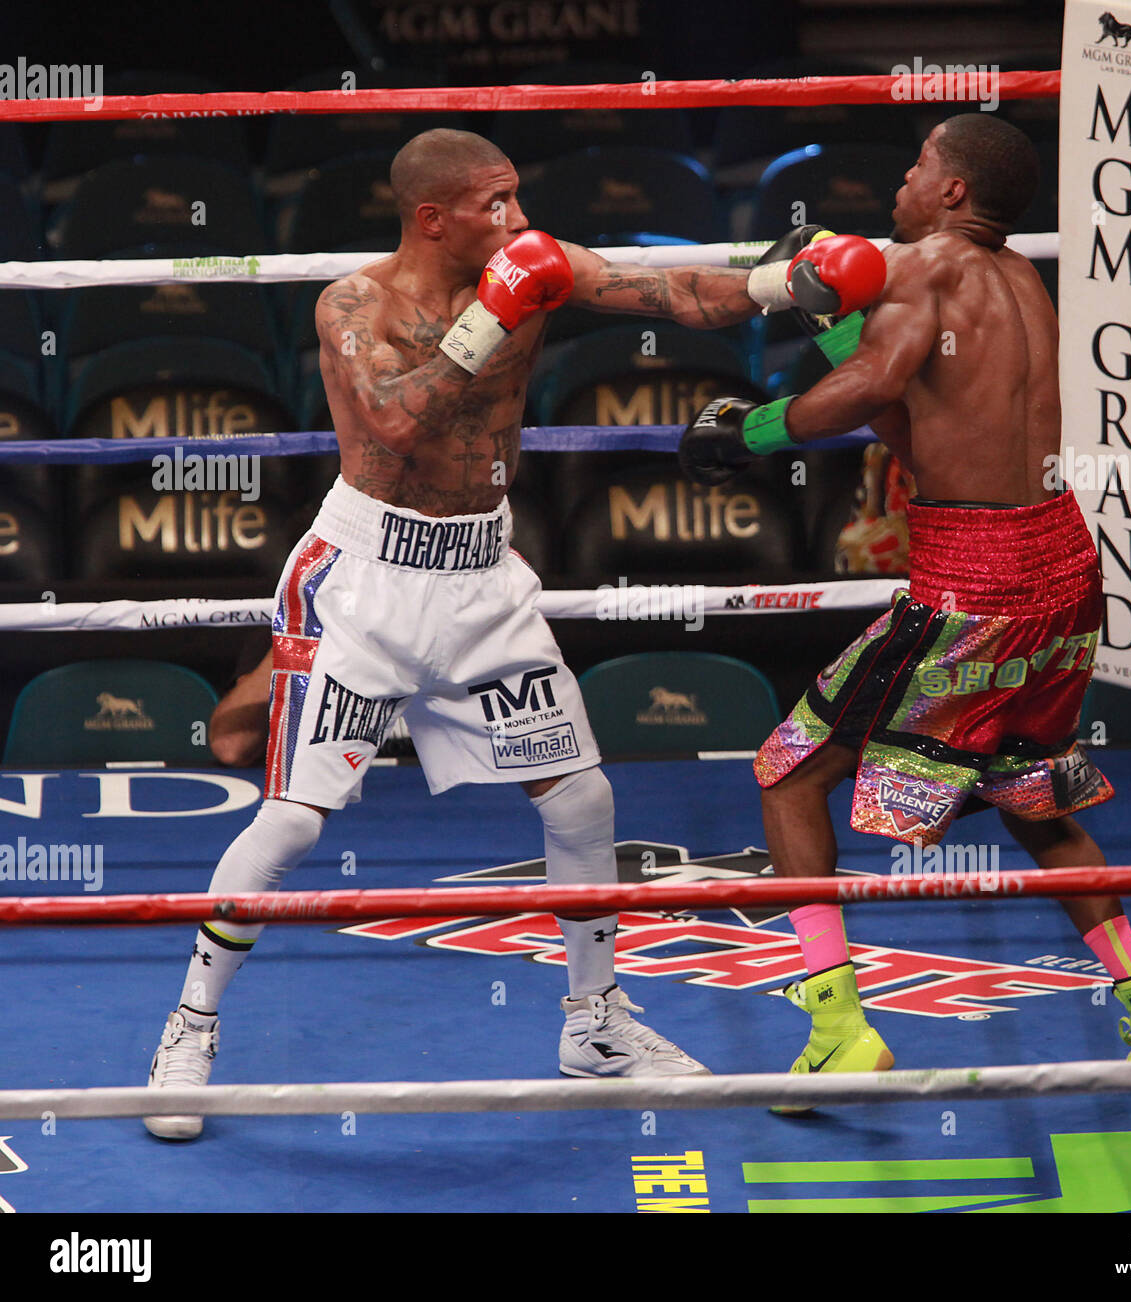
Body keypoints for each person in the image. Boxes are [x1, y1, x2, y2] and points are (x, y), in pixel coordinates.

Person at [144, 127, 884, 1139]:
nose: (519, 222)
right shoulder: (355, 304)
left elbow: (664, 293)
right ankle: (190, 1027)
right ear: (430, 216)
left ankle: (595, 1022)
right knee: (294, 821)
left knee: (582, 798)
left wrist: (781, 287)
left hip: (483, 576)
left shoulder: (529, 266)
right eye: (494, 205)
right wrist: (493, 318)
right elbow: (395, 422)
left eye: (517, 198)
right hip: (364, 582)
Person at [678, 114, 1131, 1104]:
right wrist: (831, 322)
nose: (902, 181)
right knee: (1030, 799)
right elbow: (909, 410)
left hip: (974, 583)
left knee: (786, 774)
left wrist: (745, 429)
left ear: (952, 193)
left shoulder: (923, 265)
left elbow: (872, 384)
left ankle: (839, 1032)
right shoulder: (1021, 283)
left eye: (918, 166)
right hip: (1062, 569)